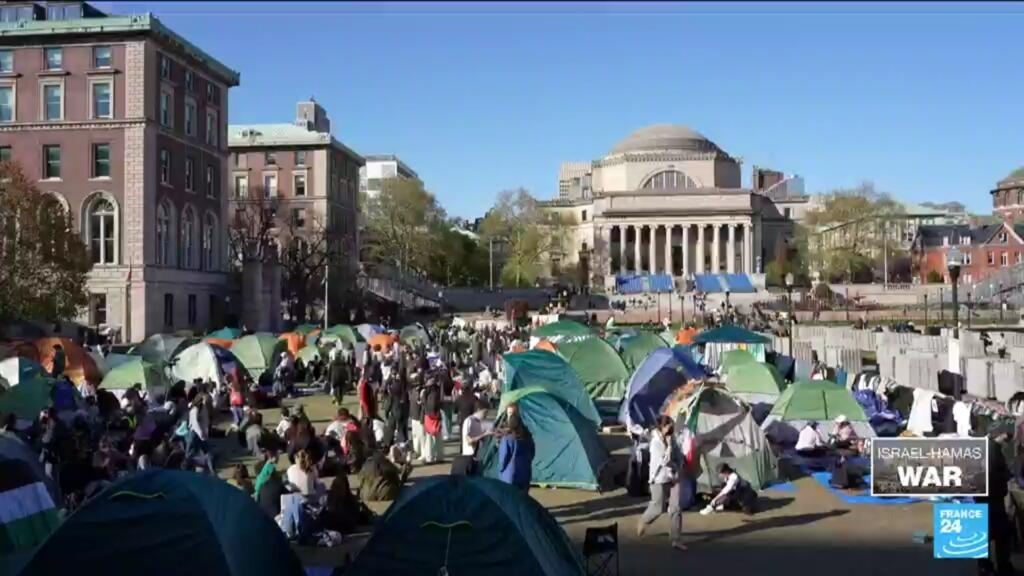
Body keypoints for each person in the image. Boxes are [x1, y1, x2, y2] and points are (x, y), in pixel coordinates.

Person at [636, 415, 686, 551]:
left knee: (676, 508)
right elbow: (665, 461)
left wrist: (680, 463)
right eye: (669, 427)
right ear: (662, 427)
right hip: (659, 478)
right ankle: (644, 520)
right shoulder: (655, 443)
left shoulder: (672, 438)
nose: (671, 430)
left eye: (672, 427)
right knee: (658, 508)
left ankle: (676, 539)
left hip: (674, 477)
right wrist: (669, 446)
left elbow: (677, 454)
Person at [497, 411, 534, 491]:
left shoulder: (507, 438)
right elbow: (532, 452)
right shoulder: (528, 437)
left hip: (510, 474)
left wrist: (501, 469)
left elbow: (504, 456)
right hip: (525, 472)